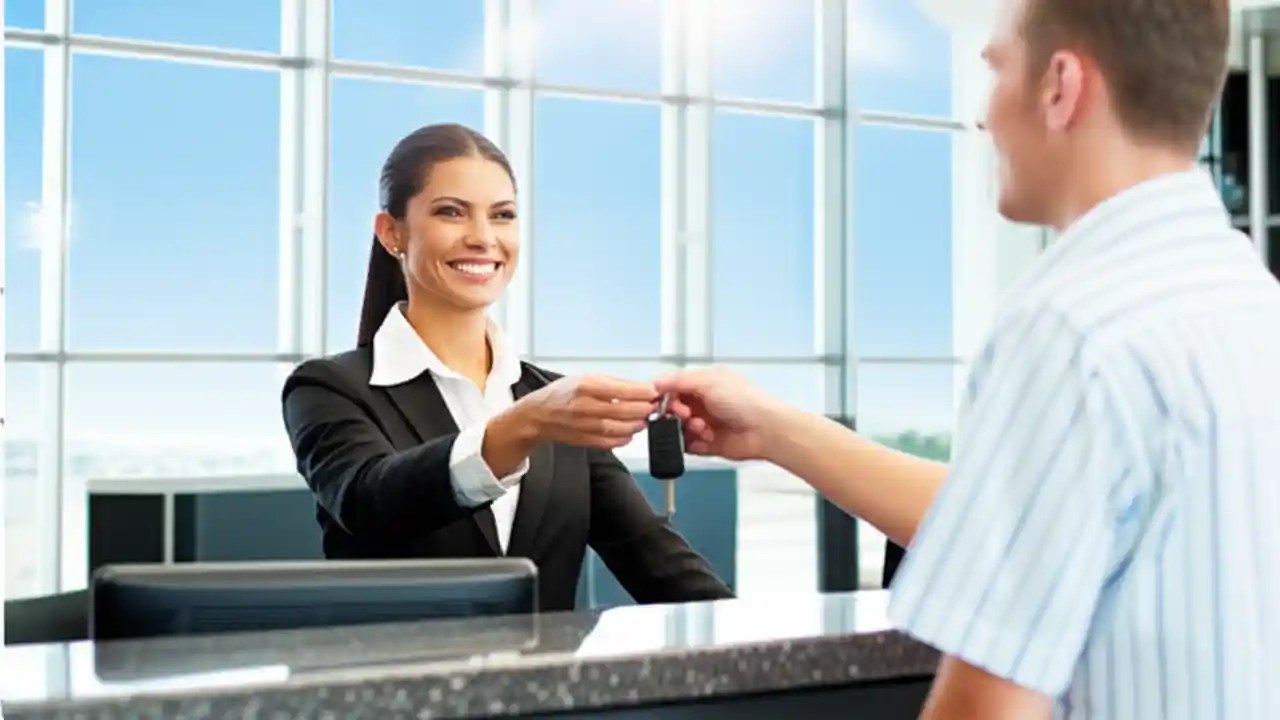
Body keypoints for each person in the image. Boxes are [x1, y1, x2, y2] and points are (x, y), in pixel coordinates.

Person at [656, 0, 1279, 717]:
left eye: (995, 69)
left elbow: (987, 707)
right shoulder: (1245, 299)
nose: (983, 116)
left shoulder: (1069, 329)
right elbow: (1025, 524)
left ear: (1060, 87)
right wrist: (772, 430)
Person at [281, 123, 732, 613]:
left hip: (546, 689)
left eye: (502, 216)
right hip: (397, 688)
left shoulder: (558, 405)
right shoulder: (329, 388)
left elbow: (662, 568)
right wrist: (525, 424)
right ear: (392, 233)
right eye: (451, 212)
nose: (482, 238)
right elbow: (370, 502)